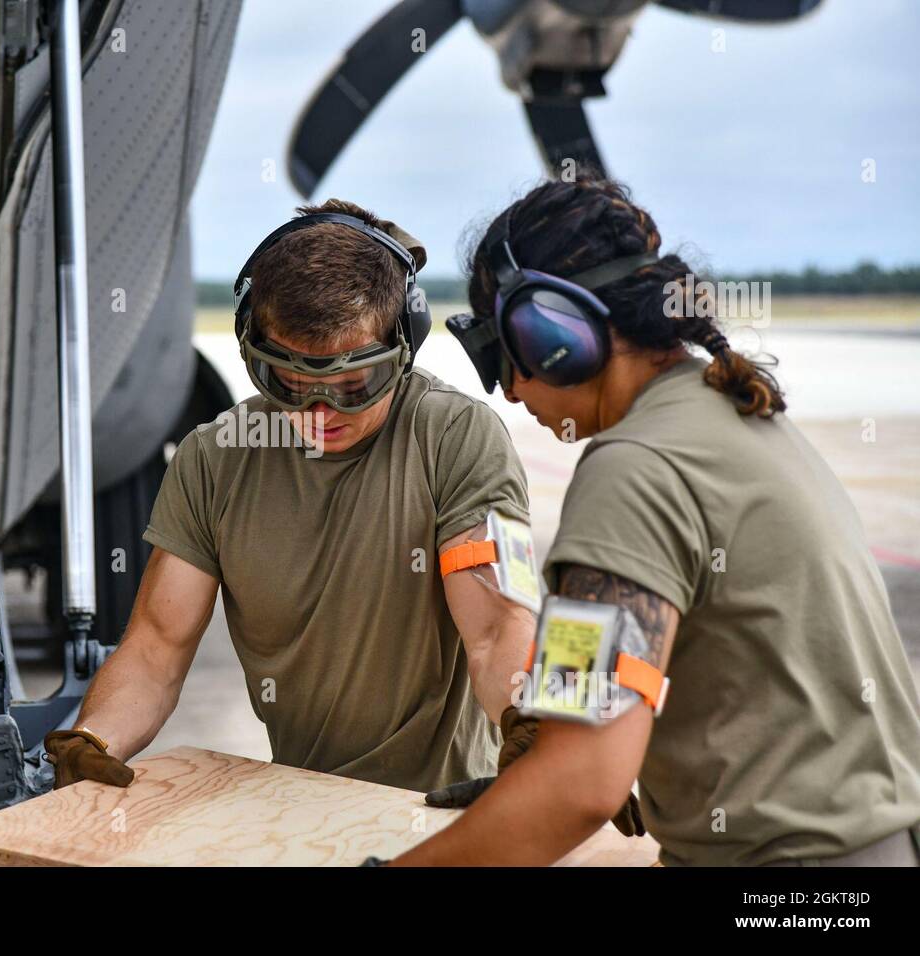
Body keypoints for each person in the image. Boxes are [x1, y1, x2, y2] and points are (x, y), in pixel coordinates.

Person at [393, 176, 920, 866]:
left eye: (506, 354)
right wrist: (554, 743)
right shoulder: (735, 418)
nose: (512, 391)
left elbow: (581, 785)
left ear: (555, 332)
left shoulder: (635, 468)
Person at [44, 199, 538, 794]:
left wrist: (528, 722)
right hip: (305, 805)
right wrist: (93, 738)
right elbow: (156, 647)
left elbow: (494, 628)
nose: (318, 413)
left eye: (354, 387)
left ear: (404, 348)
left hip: (450, 807)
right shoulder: (216, 458)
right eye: (290, 384)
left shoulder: (456, 438)